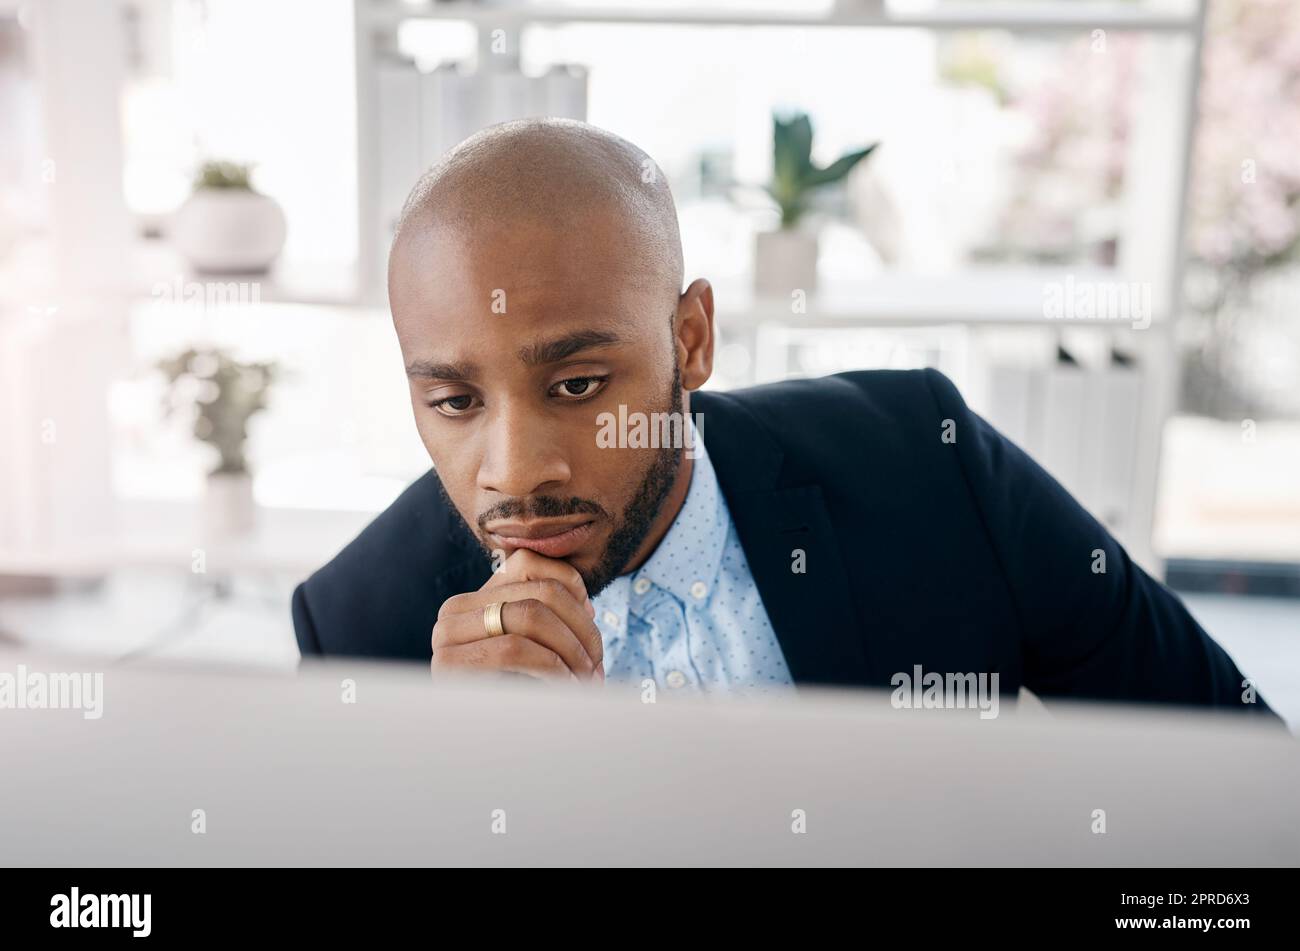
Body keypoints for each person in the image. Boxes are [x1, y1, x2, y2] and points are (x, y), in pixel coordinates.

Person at [292, 118, 1274, 718]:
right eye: (455, 400)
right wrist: (455, 797)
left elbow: (1230, 764)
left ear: (692, 336)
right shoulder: (361, 629)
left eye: (578, 385)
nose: (513, 471)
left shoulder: (928, 466)